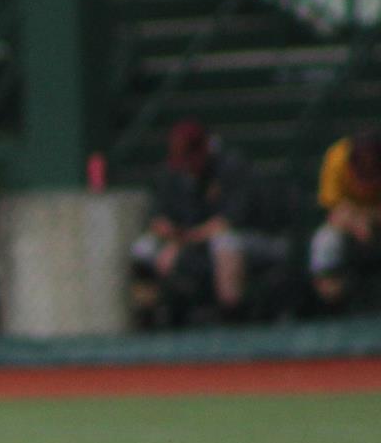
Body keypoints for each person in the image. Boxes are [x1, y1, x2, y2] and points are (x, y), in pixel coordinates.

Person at [128, 118, 288, 328]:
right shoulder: (173, 173)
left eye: (189, 157)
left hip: (254, 241)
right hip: (190, 244)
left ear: (203, 150)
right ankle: (147, 318)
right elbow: (159, 219)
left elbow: (226, 224)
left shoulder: (231, 166)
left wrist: (181, 242)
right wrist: (170, 235)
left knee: (225, 243)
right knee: (143, 248)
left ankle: (232, 320)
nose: (186, 165)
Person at [307, 128, 381, 314]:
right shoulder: (338, 157)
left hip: (372, 219)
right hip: (348, 223)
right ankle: (331, 306)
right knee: (325, 241)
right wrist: (357, 223)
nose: (367, 162)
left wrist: (367, 218)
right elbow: (334, 210)